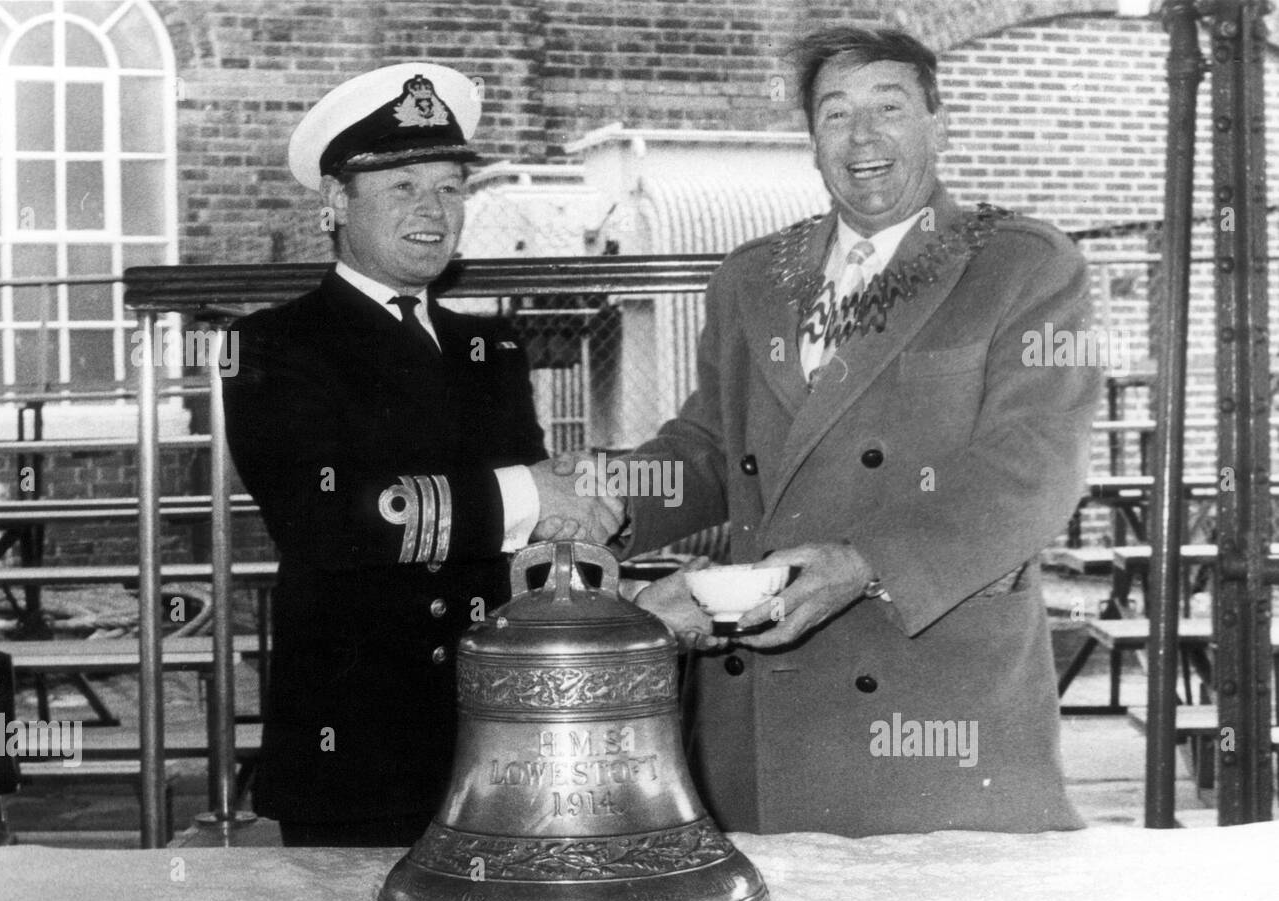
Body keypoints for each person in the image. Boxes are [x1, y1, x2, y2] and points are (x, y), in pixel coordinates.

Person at [625, 26, 1101, 836]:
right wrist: (600, 501)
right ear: (811, 142)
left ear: (938, 124)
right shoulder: (750, 278)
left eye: (890, 106)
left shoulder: (1024, 264)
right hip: (760, 710)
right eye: (836, 114)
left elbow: (1035, 467)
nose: (863, 137)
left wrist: (864, 564)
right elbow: (706, 445)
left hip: (935, 706)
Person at [224, 63, 619, 847]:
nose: (434, 211)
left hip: (498, 733)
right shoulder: (272, 344)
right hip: (357, 747)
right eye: (402, 187)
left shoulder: (490, 345)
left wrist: (577, 518)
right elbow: (325, 521)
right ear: (336, 203)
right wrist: (530, 496)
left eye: (448, 188)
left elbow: (518, 516)